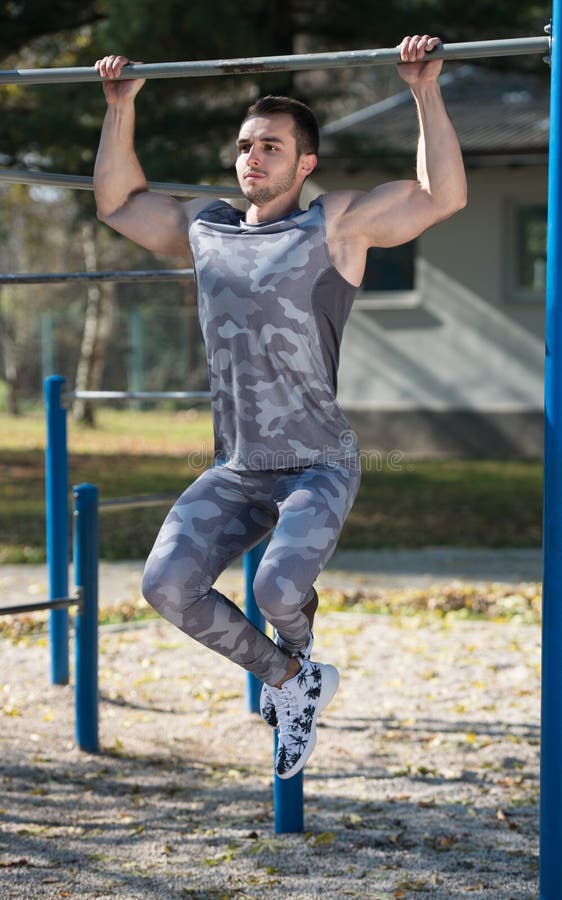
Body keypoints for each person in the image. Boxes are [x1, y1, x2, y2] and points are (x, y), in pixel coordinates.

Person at [93, 35, 466, 780]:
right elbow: (117, 202)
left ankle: (296, 647)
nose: (252, 157)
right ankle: (293, 681)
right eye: (243, 146)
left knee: (276, 589)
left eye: (271, 146)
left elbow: (440, 197)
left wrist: (424, 89)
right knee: (165, 585)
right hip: (238, 467)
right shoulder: (207, 230)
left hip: (318, 462)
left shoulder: (335, 226)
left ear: (305, 163)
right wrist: (119, 106)